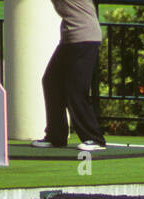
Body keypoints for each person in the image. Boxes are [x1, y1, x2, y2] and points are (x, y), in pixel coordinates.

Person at [33, 0, 107, 151]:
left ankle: (94, 138)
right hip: (70, 39)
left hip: (85, 37)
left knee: (76, 89)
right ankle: (56, 137)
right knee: (51, 81)